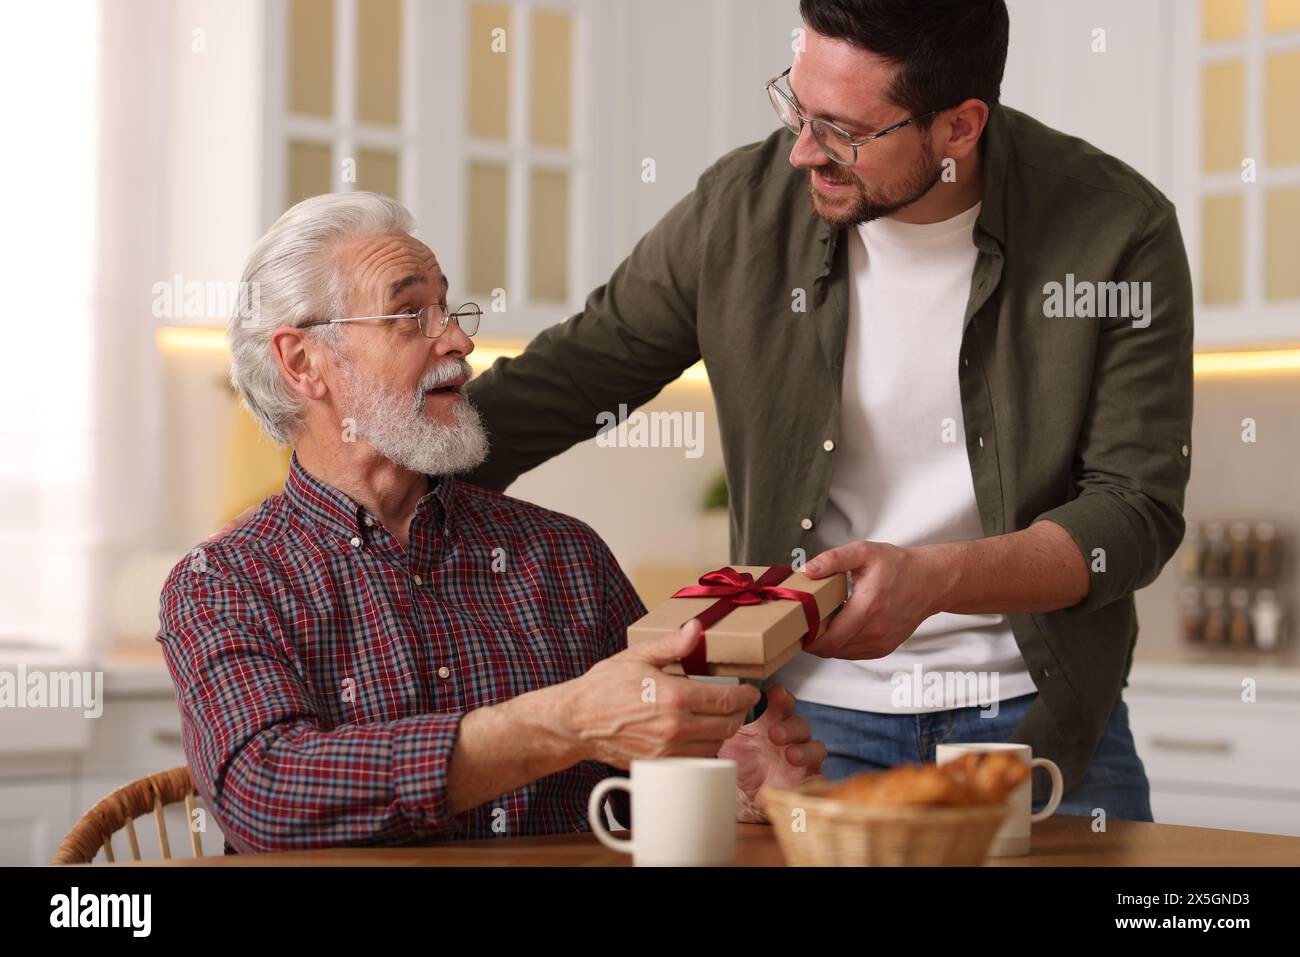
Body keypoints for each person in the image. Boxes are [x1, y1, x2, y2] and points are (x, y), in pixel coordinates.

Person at [461, 0, 1194, 820]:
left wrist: (937, 578)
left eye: (843, 130)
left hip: (1039, 726)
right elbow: (569, 379)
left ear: (959, 128)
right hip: (803, 733)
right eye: (794, 107)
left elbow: (1134, 512)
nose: (803, 151)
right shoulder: (740, 208)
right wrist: (374, 466)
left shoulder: (1118, 229)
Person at [156, 192, 825, 853]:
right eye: (411, 314)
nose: (458, 339)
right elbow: (267, 791)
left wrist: (724, 776)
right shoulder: (222, 583)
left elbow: (643, 767)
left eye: (447, 308)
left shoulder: (565, 555)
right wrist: (559, 722)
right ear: (303, 362)